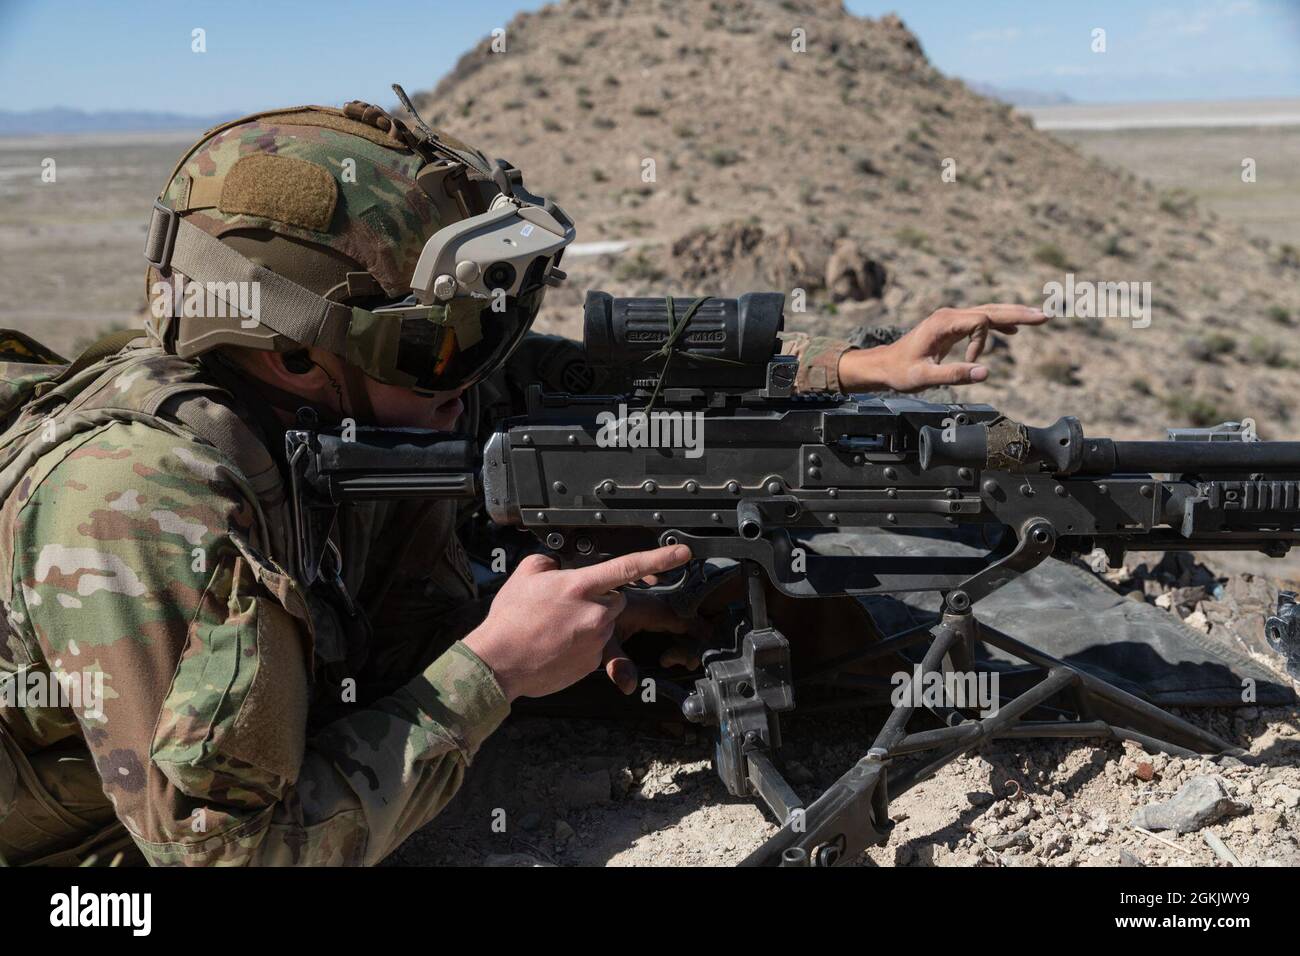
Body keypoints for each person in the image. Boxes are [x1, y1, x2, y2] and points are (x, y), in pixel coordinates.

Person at [0, 99, 1045, 866]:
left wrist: (846, 363)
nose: (483, 366)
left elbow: (570, 368)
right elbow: (236, 855)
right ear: (292, 354)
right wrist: (490, 669)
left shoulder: (346, 402)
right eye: (442, 338)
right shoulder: (142, 506)